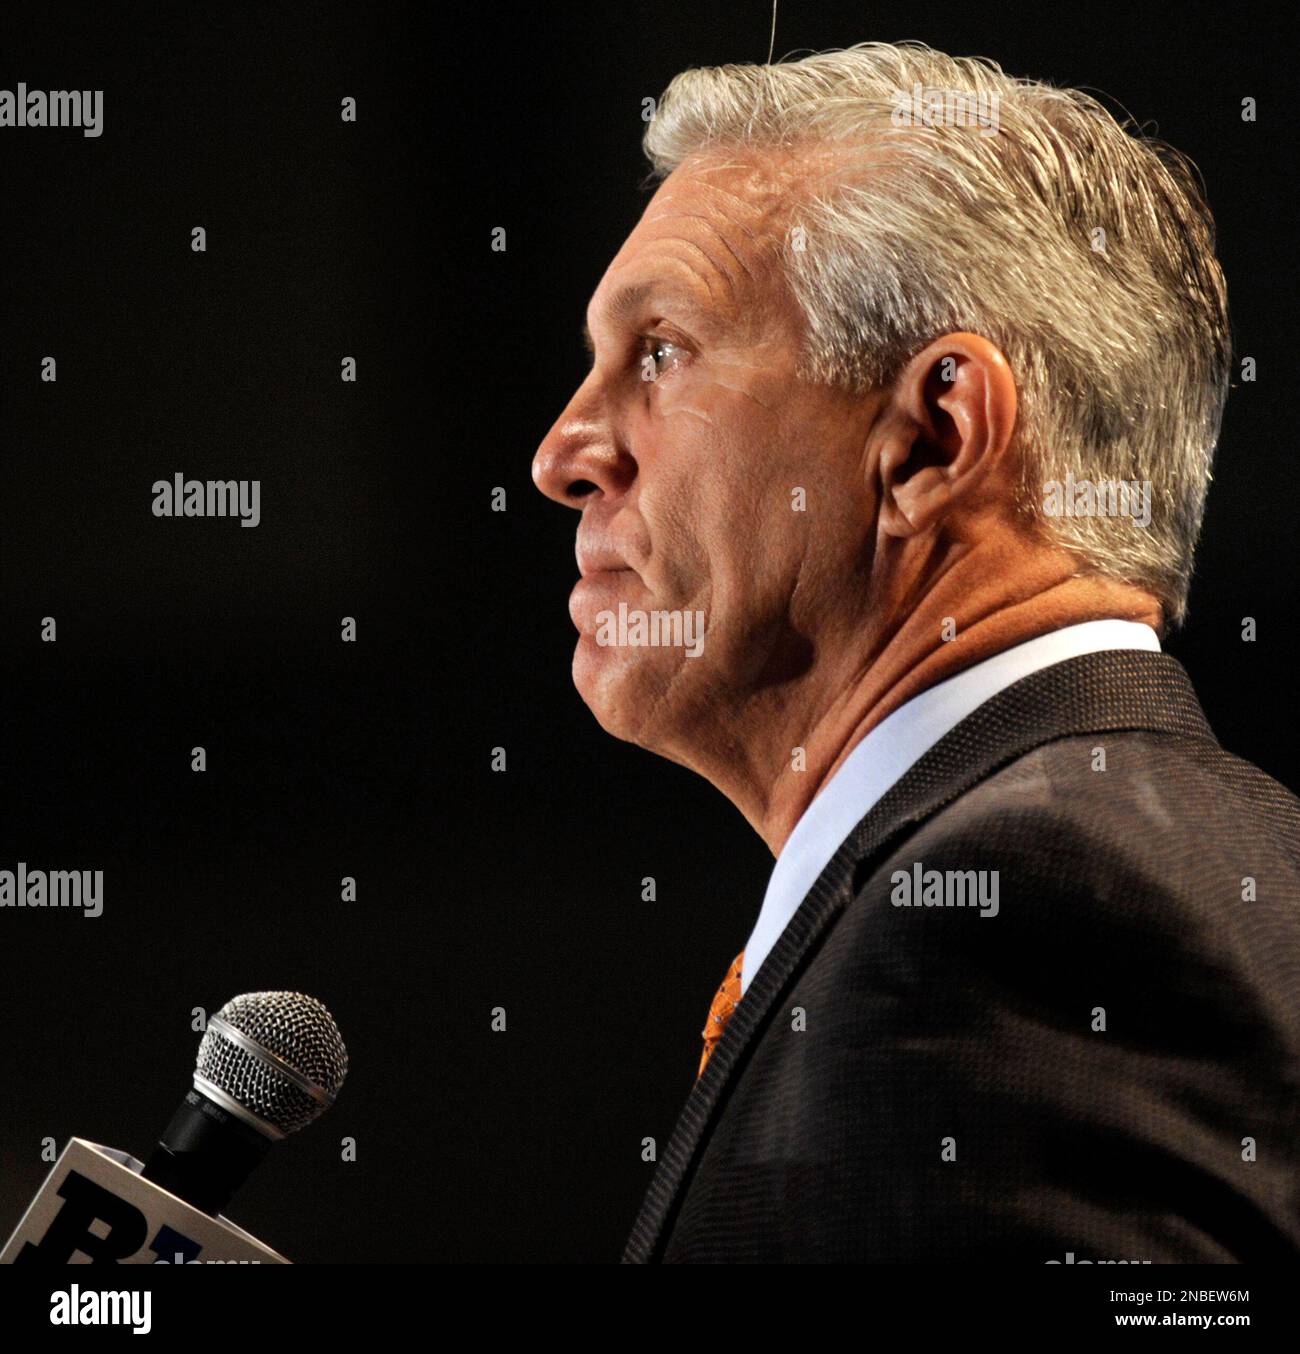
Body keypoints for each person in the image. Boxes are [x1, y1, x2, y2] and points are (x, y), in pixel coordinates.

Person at [531, 42, 1300, 1263]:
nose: (563, 452)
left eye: (661, 352)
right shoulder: (1187, 855)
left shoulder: (1015, 914)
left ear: (932, 438)